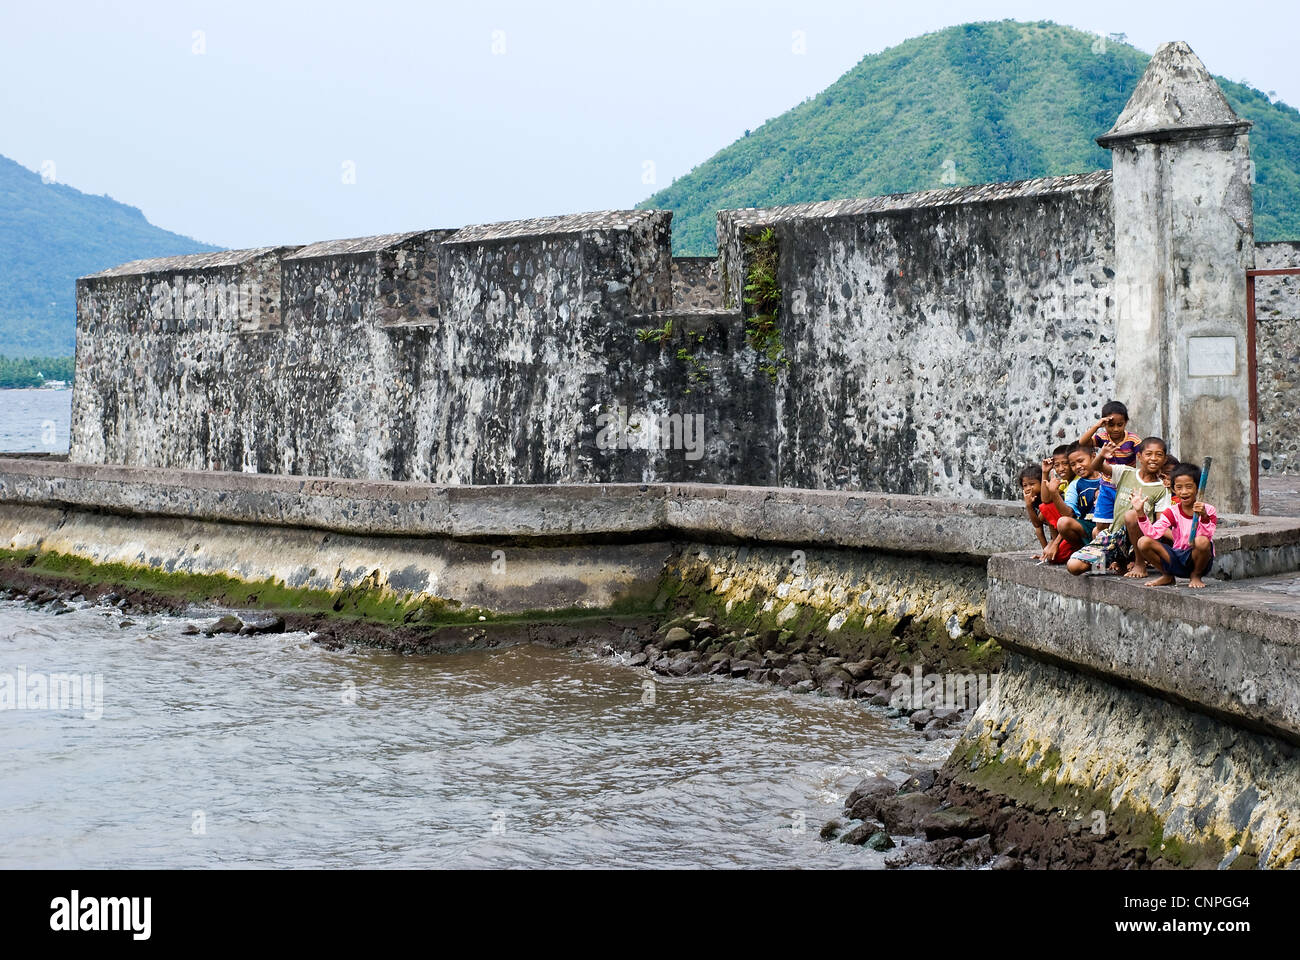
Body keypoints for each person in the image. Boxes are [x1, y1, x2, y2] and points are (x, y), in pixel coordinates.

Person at [1066, 436, 1173, 577]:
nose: (1153, 458)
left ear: (1164, 459)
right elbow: (1097, 467)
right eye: (1148, 454)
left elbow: (1161, 523)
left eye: (1158, 455)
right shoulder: (1125, 472)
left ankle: (1139, 563)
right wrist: (1102, 456)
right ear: (1139, 457)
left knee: (1132, 515)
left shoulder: (1162, 489)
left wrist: (1180, 539)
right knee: (1073, 566)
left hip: (1140, 541)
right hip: (1114, 536)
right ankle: (1117, 561)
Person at [1133, 462, 1218, 589]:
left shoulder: (1209, 510)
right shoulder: (1172, 512)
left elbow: (1208, 536)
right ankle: (1167, 575)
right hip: (1177, 556)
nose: (1184, 492)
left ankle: (1195, 575)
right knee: (1143, 542)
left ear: (1197, 488)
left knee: (1201, 541)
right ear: (1173, 489)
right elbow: (1152, 533)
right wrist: (1140, 512)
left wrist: (1204, 516)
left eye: (1189, 487)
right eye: (1179, 487)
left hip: (1198, 558)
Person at [1079, 401, 1142, 529]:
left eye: (1120, 424)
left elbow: (1143, 454)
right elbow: (1082, 442)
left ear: (1126, 422)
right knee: (1102, 523)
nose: (1116, 429)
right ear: (1104, 424)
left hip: (1126, 485)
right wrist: (1097, 426)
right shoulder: (1103, 437)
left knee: (1124, 522)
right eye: (1111, 425)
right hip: (1107, 485)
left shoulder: (1133, 440)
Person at [1042, 444, 1100, 550]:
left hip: (1107, 526)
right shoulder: (1075, 484)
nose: (1077, 466)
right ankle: (1082, 551)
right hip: (1086, 527)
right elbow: (1067, 513)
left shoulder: (1107, 478)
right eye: (1073, 464)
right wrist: (1053, 492)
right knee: (1060, 520)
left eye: (1081, 461)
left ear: (1093, 456)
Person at [1020, 463, 1072, 564]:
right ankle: (1047, 553)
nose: (1028, 488)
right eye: (1025, 485)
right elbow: (1037, 526)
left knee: (1043, 512)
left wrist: (1054, 543)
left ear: (1042, 483)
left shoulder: (1050, 496)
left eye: (1032, 484)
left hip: (1066, 531)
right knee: (1038, 531)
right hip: (1057, 534)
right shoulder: (1033, 499)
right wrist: (1029, 506)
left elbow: (1043, 519)